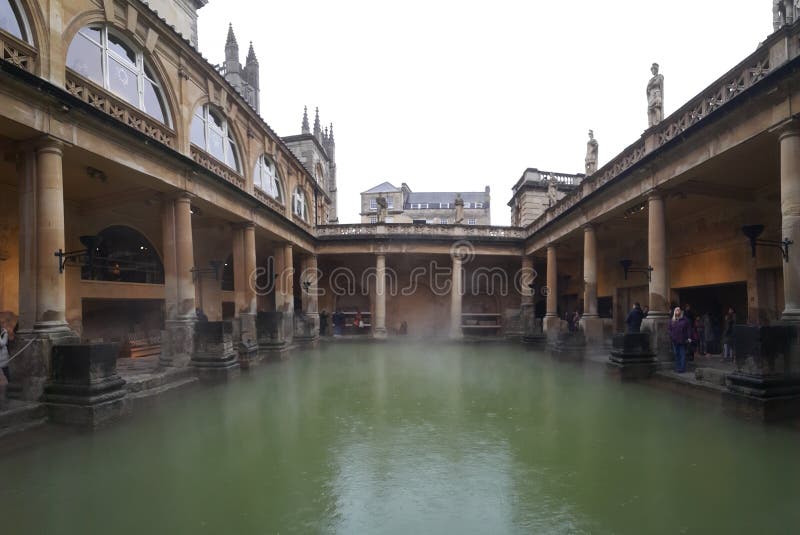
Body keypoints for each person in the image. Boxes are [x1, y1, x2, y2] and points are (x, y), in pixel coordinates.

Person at [668, 307, 692, 373]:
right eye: (676, 310)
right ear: (674, 312)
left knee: (682, 354)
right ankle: (677, 367)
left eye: (679, 310)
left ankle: (682, 368)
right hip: (674, 339)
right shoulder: (672, 320)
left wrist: (689, 337)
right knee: (676, 354)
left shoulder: (685, 320)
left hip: (682, 339)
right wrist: (671, 335)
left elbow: (688, 329)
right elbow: (669, 329)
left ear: (680, 312)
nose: (677, 311)